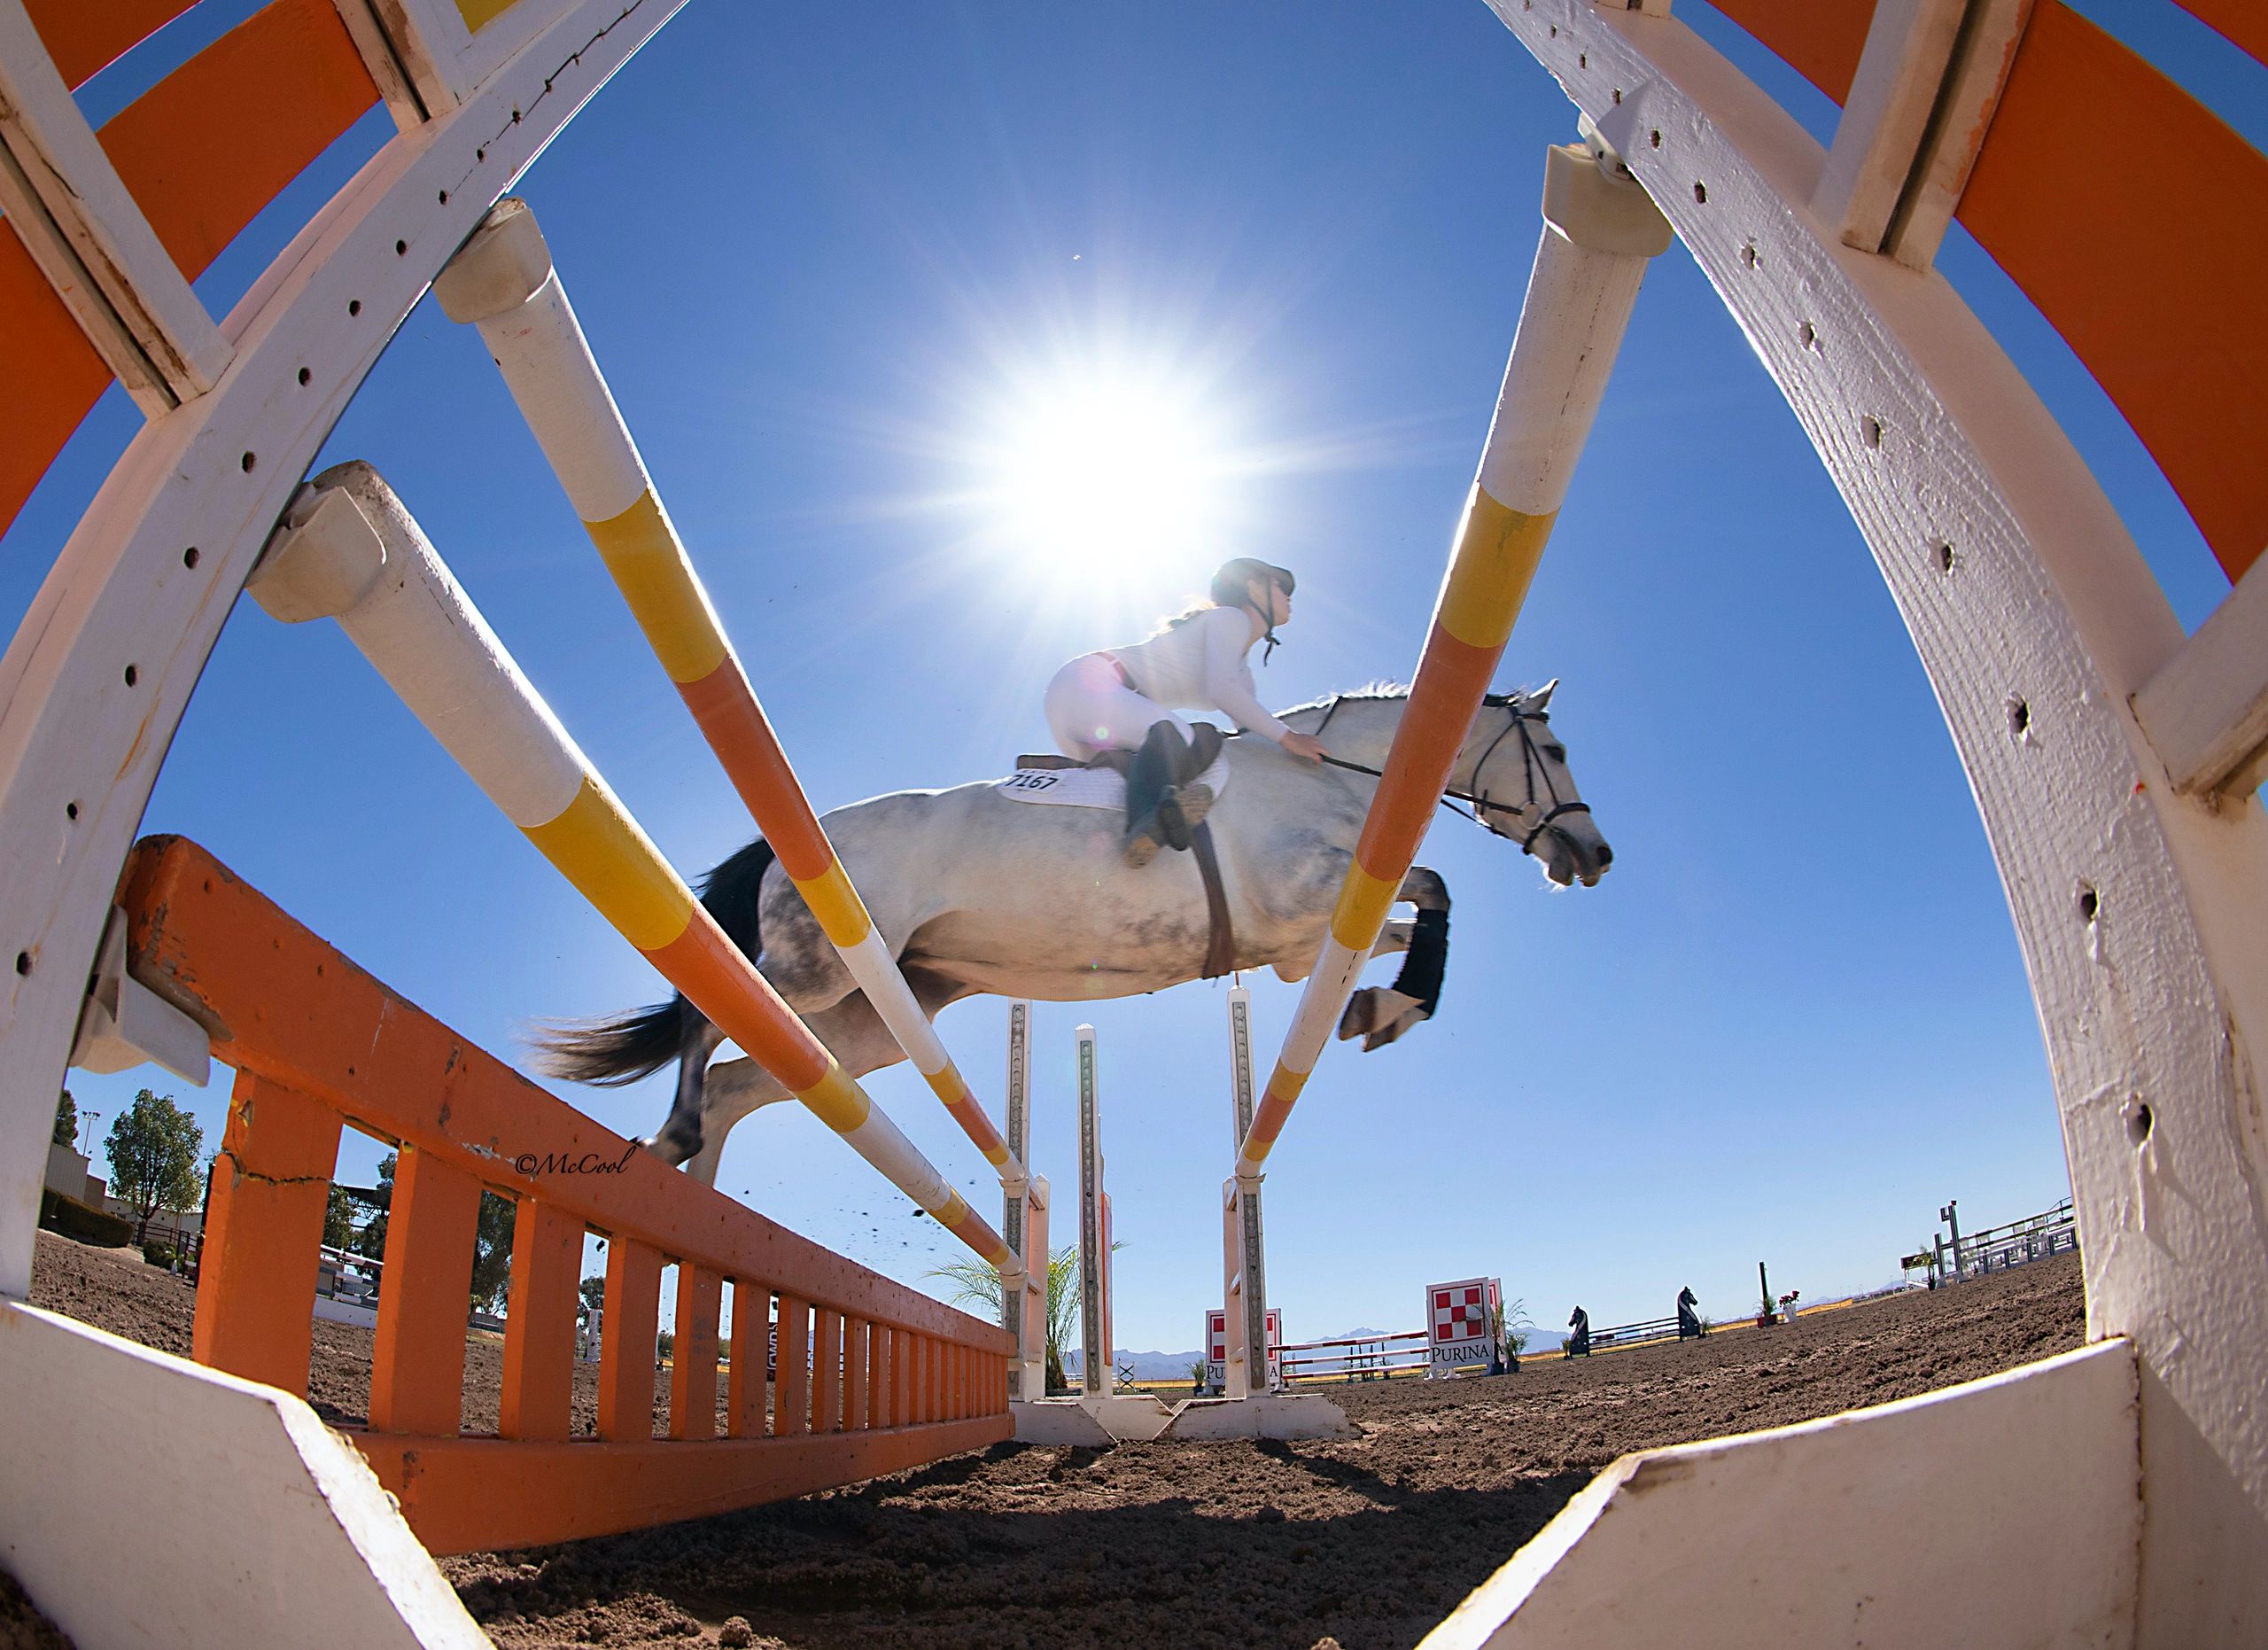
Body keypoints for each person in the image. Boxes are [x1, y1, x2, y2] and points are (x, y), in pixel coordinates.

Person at [1044, 558, 1330, 866]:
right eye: (1281, 586)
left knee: (1216, 767)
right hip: (1088, 684)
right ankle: (1145, 826)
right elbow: (1222, 691)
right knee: (1183, 736)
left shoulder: (1242, 669)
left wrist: (1302, 761)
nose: (1289, 595)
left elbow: (1250, 737)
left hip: (1088, 715)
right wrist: (1290, 739)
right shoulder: (1230, 618)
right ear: (1253, 586)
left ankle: (1162, 829)